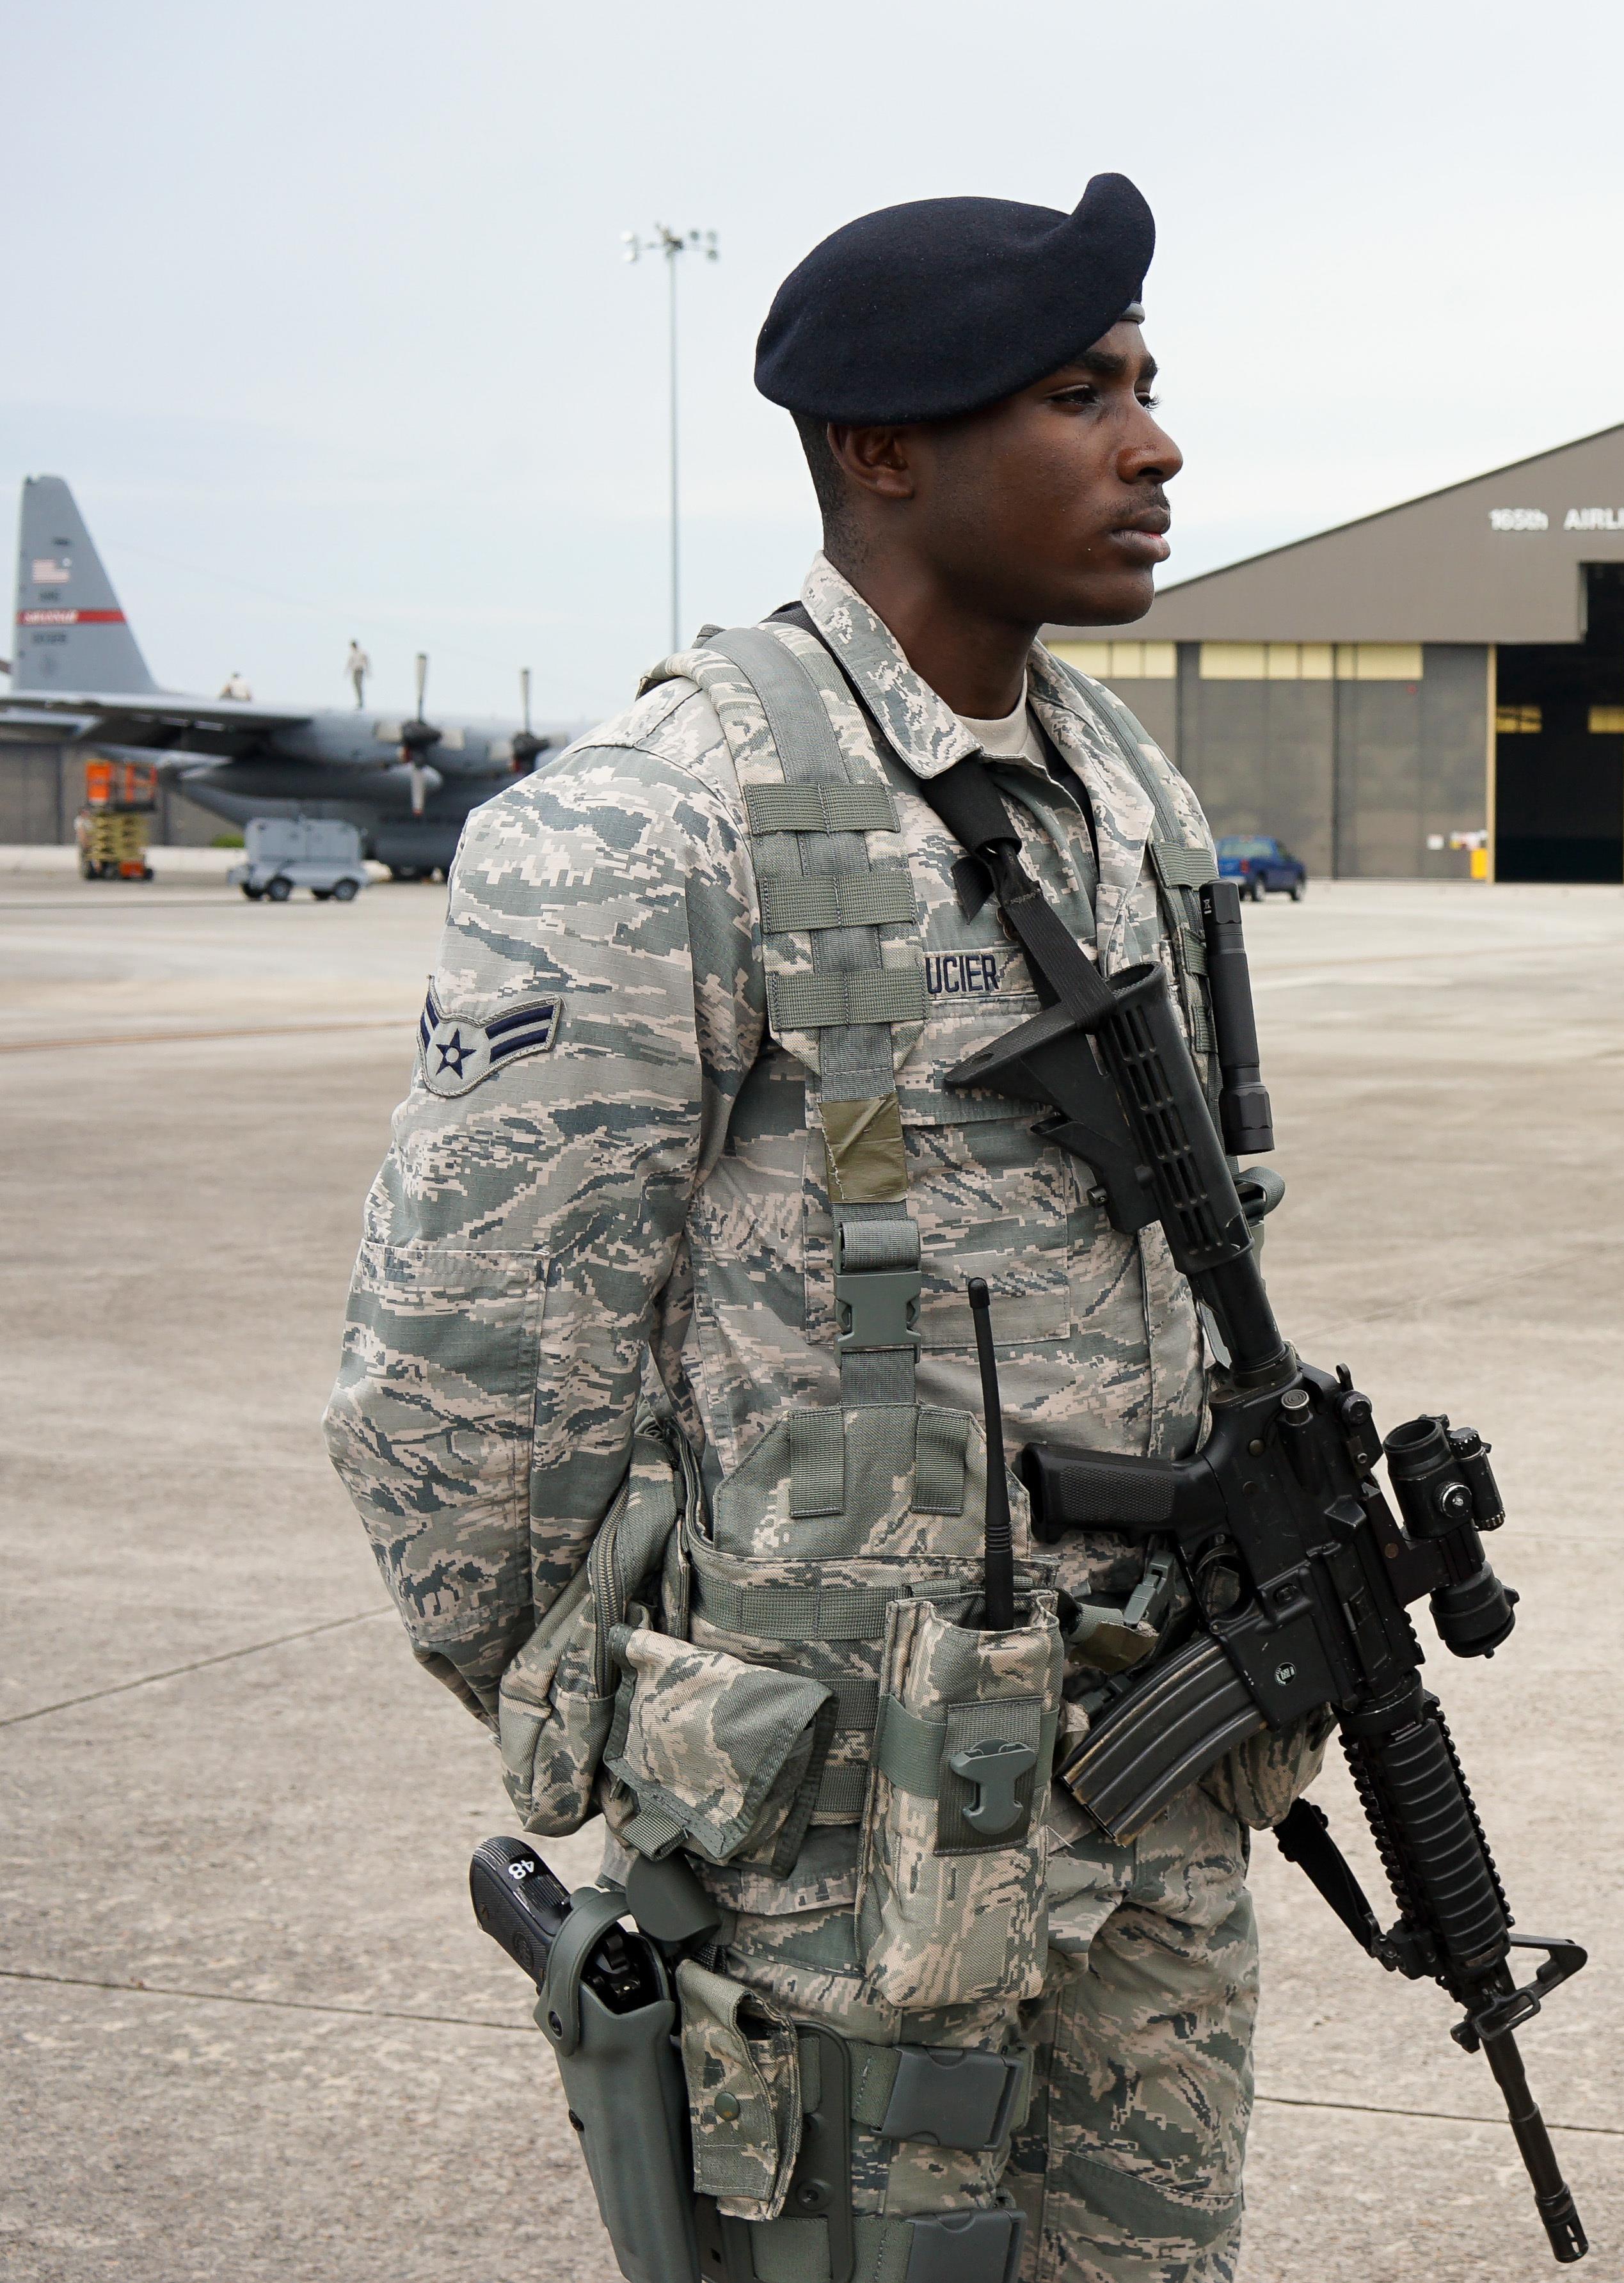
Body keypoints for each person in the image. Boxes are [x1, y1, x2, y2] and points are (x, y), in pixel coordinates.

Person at [324, 172, 1322, 2283]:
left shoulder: (1113, 789)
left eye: (1146, 385)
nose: (1153, 444)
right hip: (846, 1868)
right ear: (885, 452)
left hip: (1145, 1816)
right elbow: (459, 1395)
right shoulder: (648, 823)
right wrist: (695, 1737)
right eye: (1080, 392)